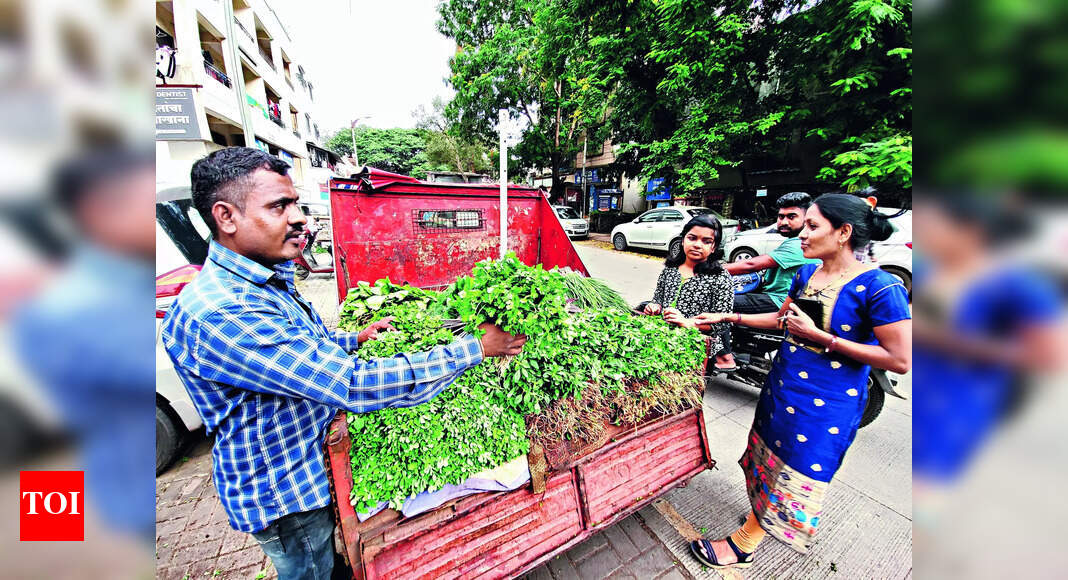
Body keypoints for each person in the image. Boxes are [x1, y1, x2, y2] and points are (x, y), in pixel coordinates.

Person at [161, 147, 527, 580]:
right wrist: (475, 350)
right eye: (280, 205)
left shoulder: (258, 282)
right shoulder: (222, 310)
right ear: (226, 217)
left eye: (295, 203)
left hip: (300, 466)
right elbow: (351, 385)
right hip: (284, 493)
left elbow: (297, 344)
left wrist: (355, 338)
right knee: (314, 571)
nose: (299, 217)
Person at [686, 193, 911, 567]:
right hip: (783, 384)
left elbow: (900, 359)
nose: (802, 234)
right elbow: (781, 320)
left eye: (812, 226)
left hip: (827, 400)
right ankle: (764, 518)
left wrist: (824, 339)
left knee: (796, 464)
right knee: (768, 456)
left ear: (843, 233)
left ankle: (744, 544)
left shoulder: (881, 287)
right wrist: (726, 318)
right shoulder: (807, 272)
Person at [641, 214, 734, 368]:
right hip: (661, 342)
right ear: (683, 240)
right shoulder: (670, 270)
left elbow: (721, 323)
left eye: (706, 241)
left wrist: (688, 322)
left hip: (696, 349)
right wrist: (654, 307)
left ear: (714, 247)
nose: (697, 245)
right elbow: (657, 299)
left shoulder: (720, 277)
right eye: (692, 238)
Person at [725, 192, 820, 314]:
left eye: (791, 217)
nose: (784, 222)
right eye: (781, 217)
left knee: (718, 300)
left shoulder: (800, 243)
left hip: (780, 300)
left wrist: (703, 270)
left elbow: (750, 265)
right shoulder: (793, 241)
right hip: (774, 294)